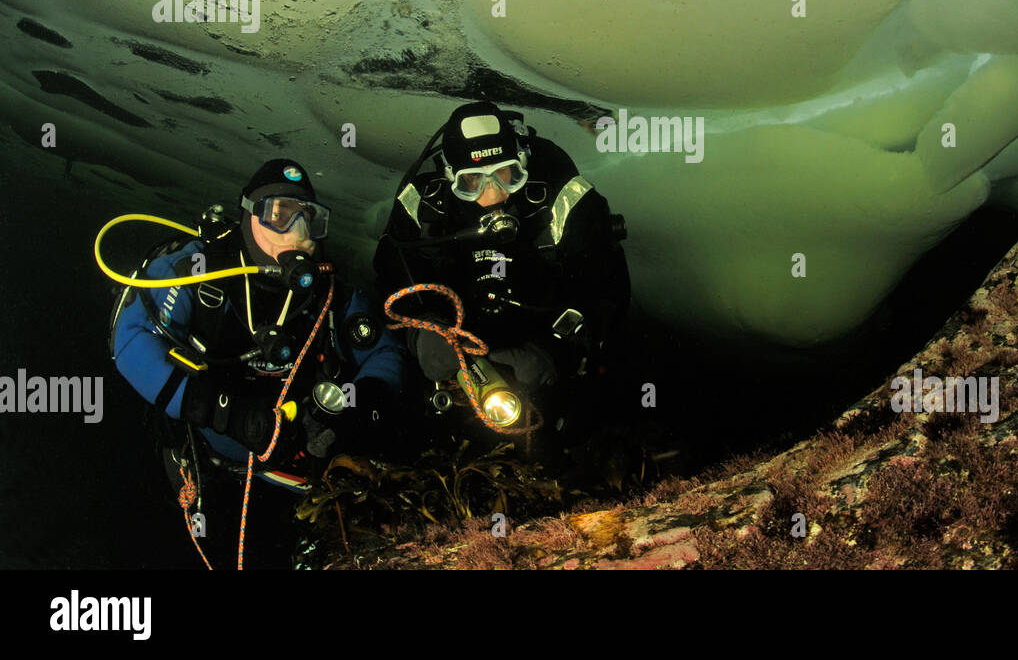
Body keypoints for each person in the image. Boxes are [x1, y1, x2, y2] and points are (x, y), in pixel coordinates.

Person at [111, 158, 405, 564]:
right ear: (249, 214)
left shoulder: (328, 294)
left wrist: (357, 404)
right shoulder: (197, 272)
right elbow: (129, 341)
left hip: (295, 471)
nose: (298, 233)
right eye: (280, 215)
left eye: (308, 218)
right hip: (206, 458)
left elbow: (384, 353)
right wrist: (226, 415)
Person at [374, 101, 630, 443]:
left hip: (543, 342)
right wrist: (420, 336)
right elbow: (390, 283)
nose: (492, 194)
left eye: (505, 174)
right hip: (457, 354)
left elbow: (607, 291)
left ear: (522, 162)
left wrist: (558, 354)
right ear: (449, 175)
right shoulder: (422, 207)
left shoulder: (564, 200)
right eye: (473, 181)